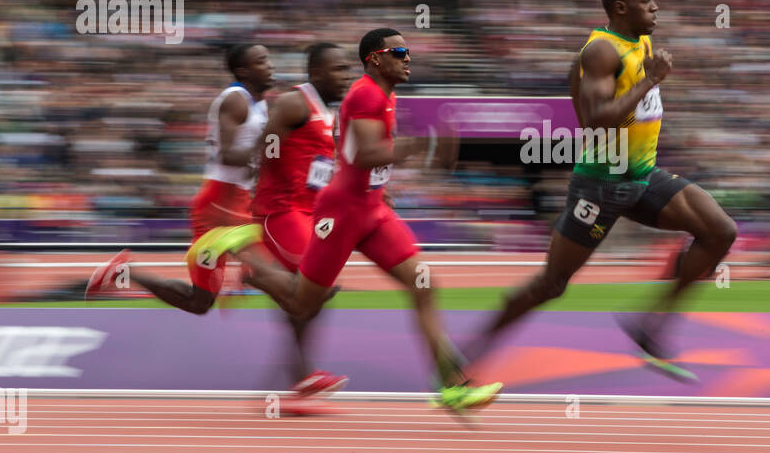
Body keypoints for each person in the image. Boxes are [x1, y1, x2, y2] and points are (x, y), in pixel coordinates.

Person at [202, 28, 502, 412]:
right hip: (341, 215)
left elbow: (348, 153)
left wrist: (379, 186)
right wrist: (423, 145)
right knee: (302, 302)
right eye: (399, 51)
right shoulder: (363, 94)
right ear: (376, 58)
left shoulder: (384, 96)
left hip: (372, 211)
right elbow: (366, 154)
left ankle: (452, 386)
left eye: (408, 51)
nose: (408, 57)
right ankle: (243, 256)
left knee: (423, 285)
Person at [462, 0, 738, 380]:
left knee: (719, 231)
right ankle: (465, 358)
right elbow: (595, 120)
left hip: (641, 175)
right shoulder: (600, 52)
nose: (656, 7)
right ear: (621, 8)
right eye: (647, 1)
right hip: (600, 184)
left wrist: (645, 79)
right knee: (552, 284)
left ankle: (650, 324)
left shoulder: (638, 41)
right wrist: (651, 79)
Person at [85, 43, 273, 312]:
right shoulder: (235, 99)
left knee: (199, 302)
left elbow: (256, 159)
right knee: (271, 269)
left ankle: (125, 272)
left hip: (235, 200)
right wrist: (264, 147)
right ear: (244, 70)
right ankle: (259, 281)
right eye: (262, 61)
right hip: (221, 205)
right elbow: (229, 156)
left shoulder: (261, 105)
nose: (271, 65)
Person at [247, 42, 353, 411]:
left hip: (309, 213)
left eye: (347, 69)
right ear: (317, 73)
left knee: (308, 296)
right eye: (339, 69)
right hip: (281, 210)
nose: (346, 76)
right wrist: (273, 174)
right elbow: (267, 145)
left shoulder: (328, 114)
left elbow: (320, 166)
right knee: (315, 285)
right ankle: (256, 274)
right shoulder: (295, 103)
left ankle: (302, 374)